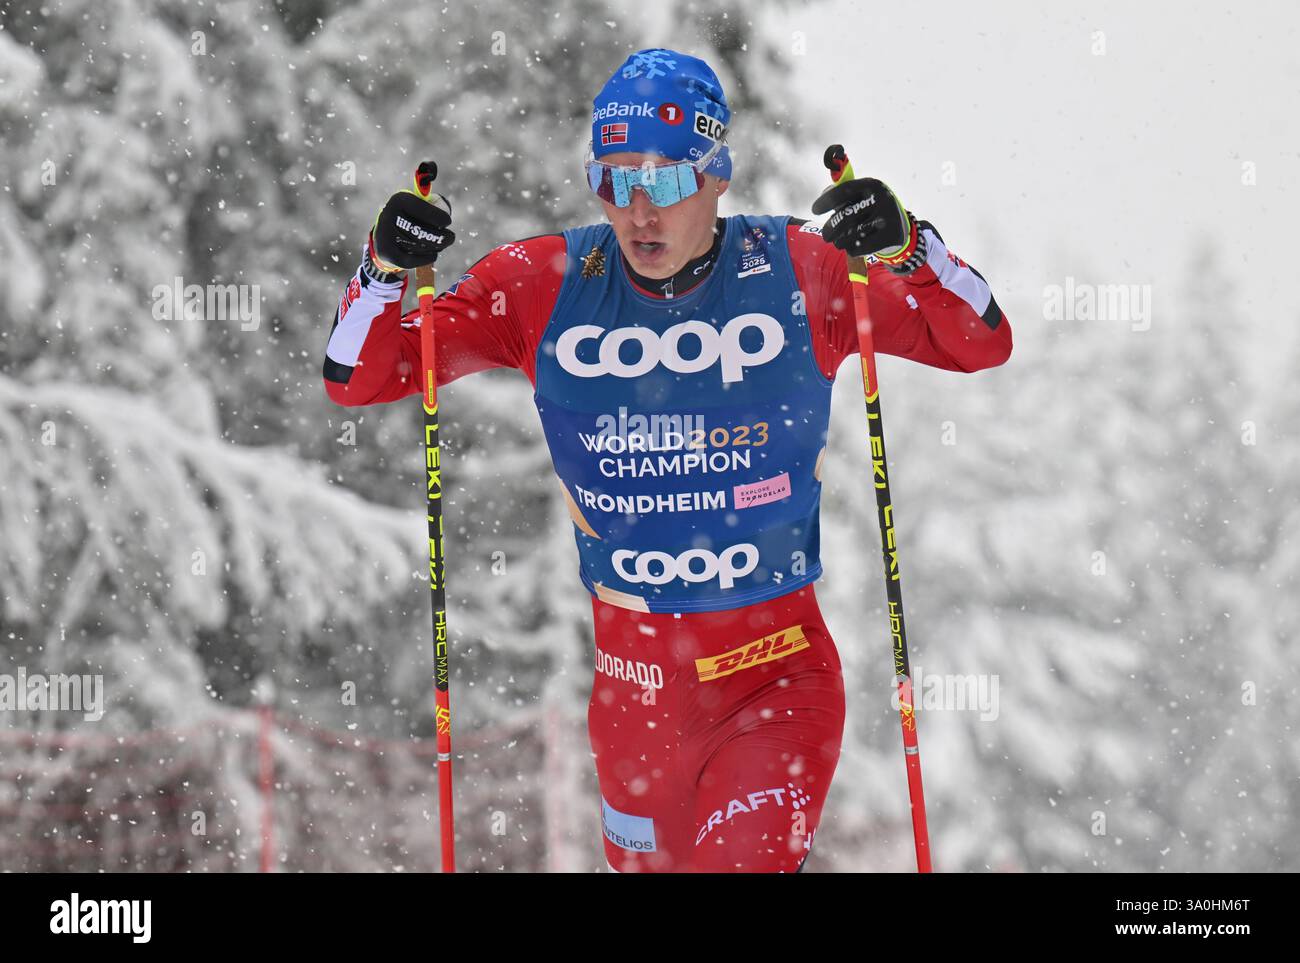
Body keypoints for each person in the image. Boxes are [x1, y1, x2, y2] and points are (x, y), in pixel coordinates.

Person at [322, 47, 1012, 872]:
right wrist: (384, 269)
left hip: (772, 687)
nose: (639, 211)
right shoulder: (544, 285)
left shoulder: (799, 271)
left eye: (668, 183)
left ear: (718, 176)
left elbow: (977, 342)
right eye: (615, 182)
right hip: (632, 703)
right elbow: (358, 376)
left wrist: (910, 250)